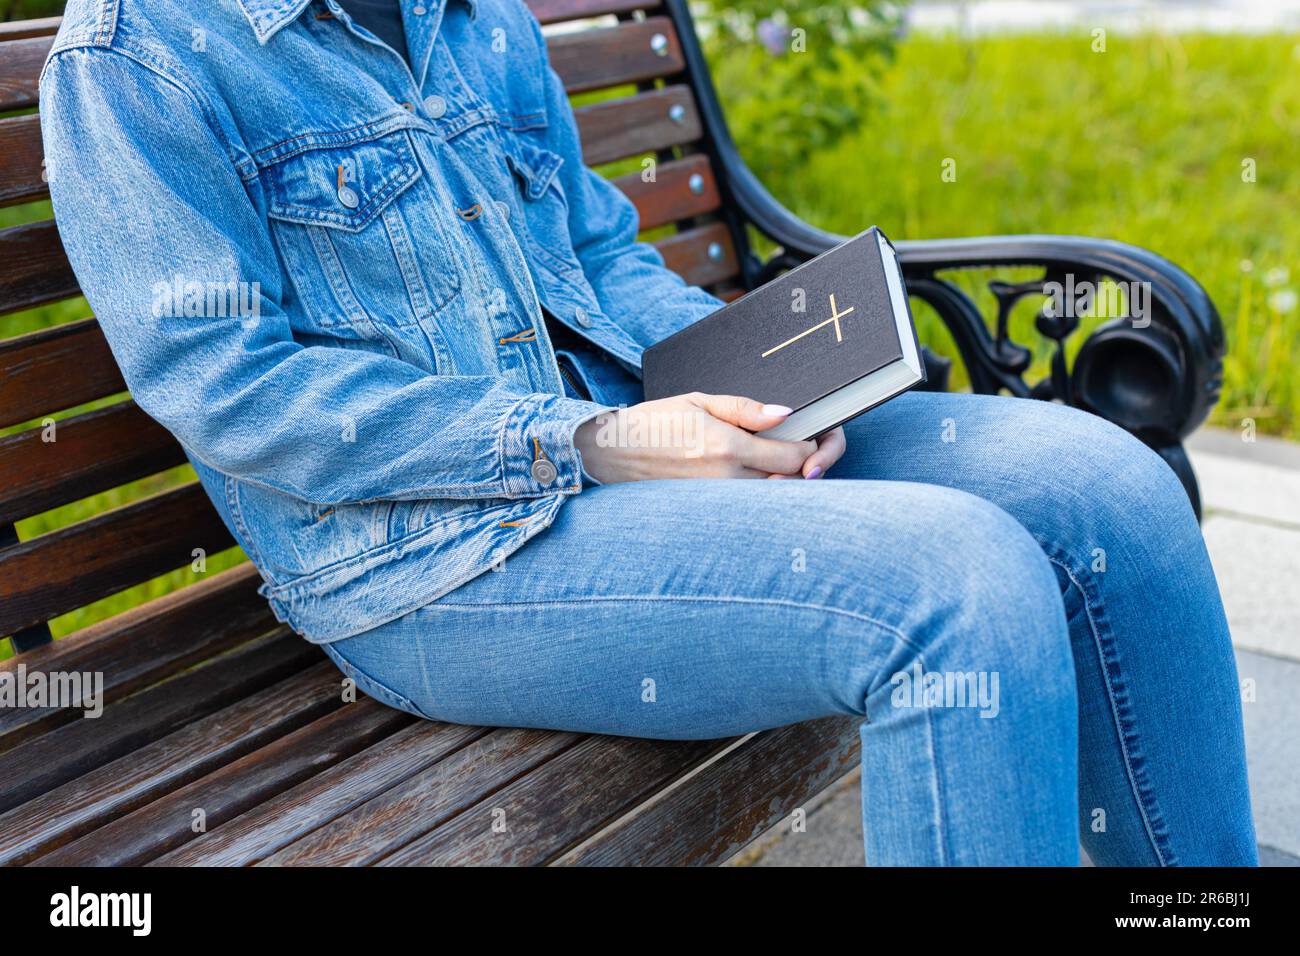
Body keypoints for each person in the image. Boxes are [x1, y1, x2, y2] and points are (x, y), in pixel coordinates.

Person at [40, 0, 1256, 865]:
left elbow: (598, 256)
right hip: (422, 561)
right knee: (958, 584)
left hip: (636, 454)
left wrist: (764, 386)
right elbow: (234, 390)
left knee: (1107, 484)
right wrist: (599, 439)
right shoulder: (136, 58)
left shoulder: (469, 14)